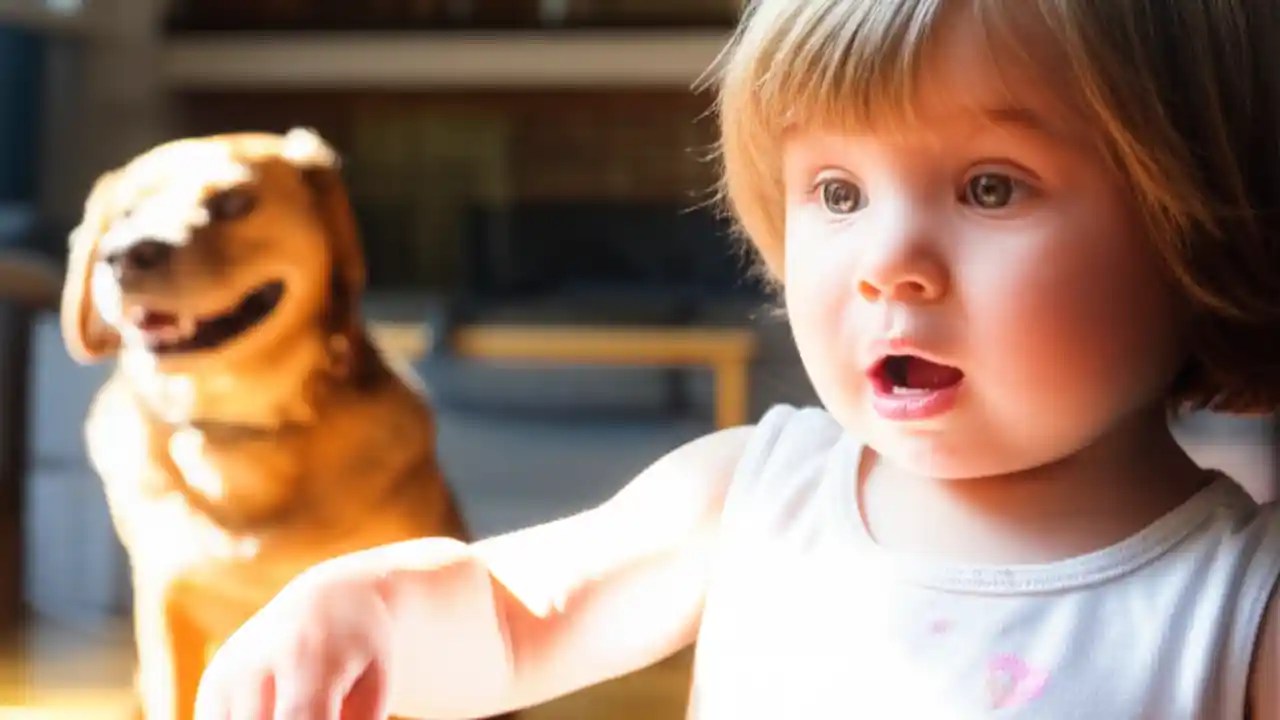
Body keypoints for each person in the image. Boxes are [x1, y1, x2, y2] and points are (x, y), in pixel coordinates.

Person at [193, 0, 1280, 717]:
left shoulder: (1240, 615)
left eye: (990, 186)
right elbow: (515, 616)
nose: (886, 265)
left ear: (1194, 225)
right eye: (838, 193)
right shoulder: (753, 500)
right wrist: (366, 607)